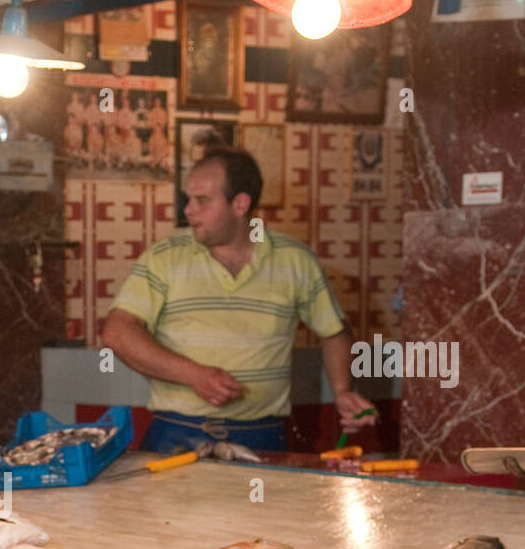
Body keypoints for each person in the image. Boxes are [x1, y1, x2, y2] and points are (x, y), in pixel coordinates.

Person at [101, 146, 377, 454]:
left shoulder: (295, 260)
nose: (189, 210)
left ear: (240, 204)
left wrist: (343, 391)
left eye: (202, 201)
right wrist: (194, 376)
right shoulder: (163, 258)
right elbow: (117, 332)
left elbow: (334, 333)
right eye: (188, 199)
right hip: (176, 434)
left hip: (263, 436)